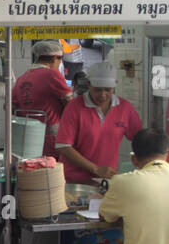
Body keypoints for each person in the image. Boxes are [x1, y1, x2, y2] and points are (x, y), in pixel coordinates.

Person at [55, 61, 142, 195]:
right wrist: (95, 169)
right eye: (97, 89)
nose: (102, 95)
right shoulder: (75, 108)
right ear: (89, 84)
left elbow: (140, 139)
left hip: (106, 182)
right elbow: (63, 146)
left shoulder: (125, 108)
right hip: (75, 183)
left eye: (108, 90)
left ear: (115, 86)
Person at [12, 40, 73, 159]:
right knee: (51, 170)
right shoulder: (52, 74)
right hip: (51, 136)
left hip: (26, 137)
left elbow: (10, 107)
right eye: (60, 59)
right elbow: (70, 103)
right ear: (55, 58)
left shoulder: (22, 77)